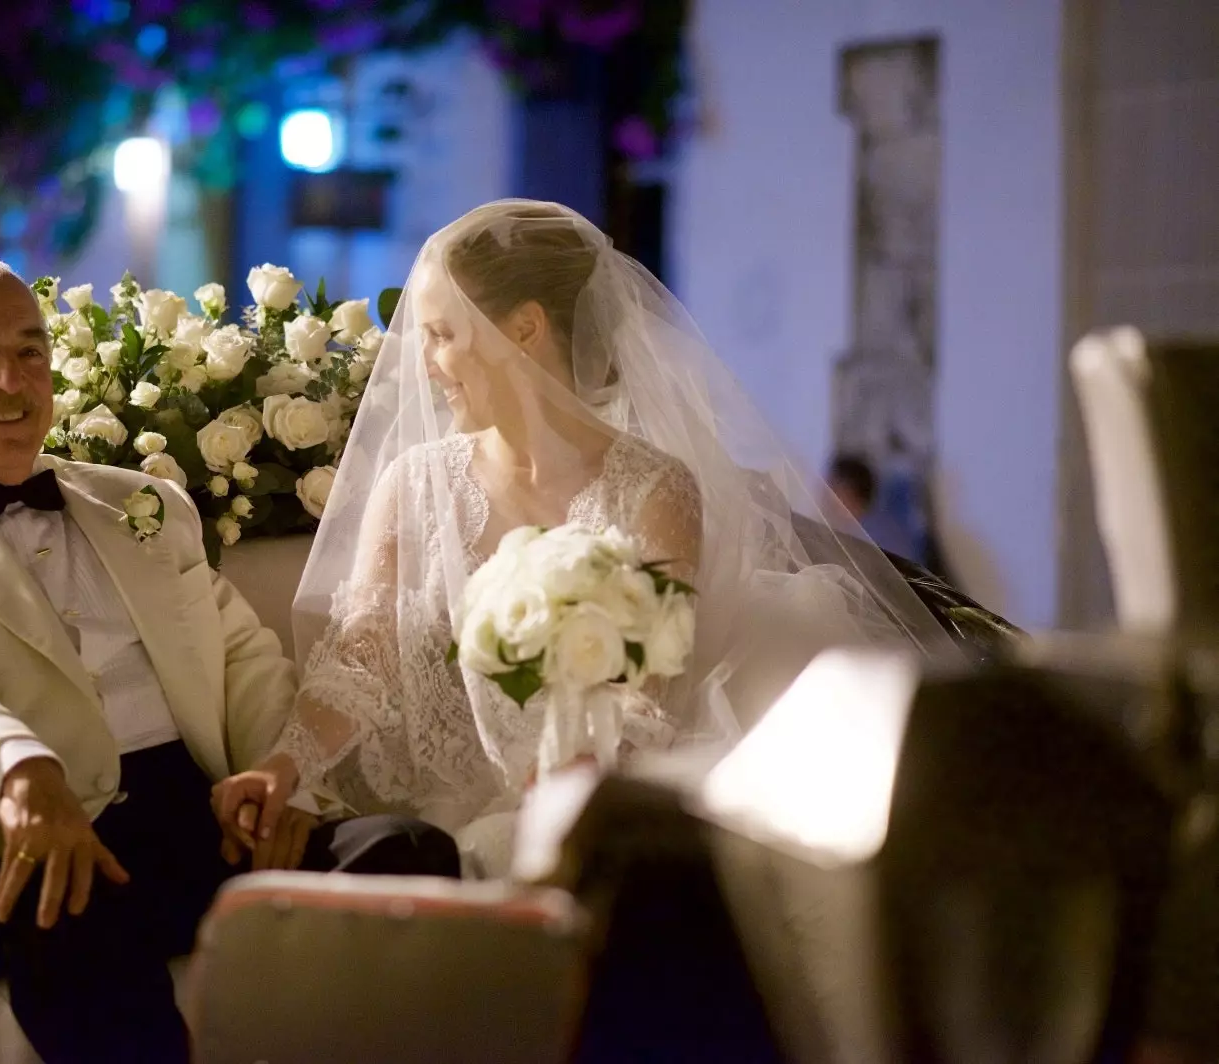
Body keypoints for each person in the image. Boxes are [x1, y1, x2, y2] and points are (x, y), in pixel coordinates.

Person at [0, 259, 457, 1064]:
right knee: (59, 912)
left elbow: (240, 654)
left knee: (407, 855)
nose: (12, 380)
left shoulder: (142, 502)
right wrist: (19, 770)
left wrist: (286, 776)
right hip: (63, 840)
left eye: (30, 351)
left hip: (212, 822)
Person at [211, 201, 957, 879]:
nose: (428, 362)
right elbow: (361, 658)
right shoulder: (413, 482)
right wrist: (289, 765)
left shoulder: (654, 490)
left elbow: (647, 697)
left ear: (526, 328)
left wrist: (569, 785)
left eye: (443, 334)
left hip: (588, 803)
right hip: (428, 817)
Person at [826, 452, 922, 563]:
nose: (825, 498)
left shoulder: (868, 536)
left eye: (831, 489)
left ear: (846, 492)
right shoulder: (879, 525)